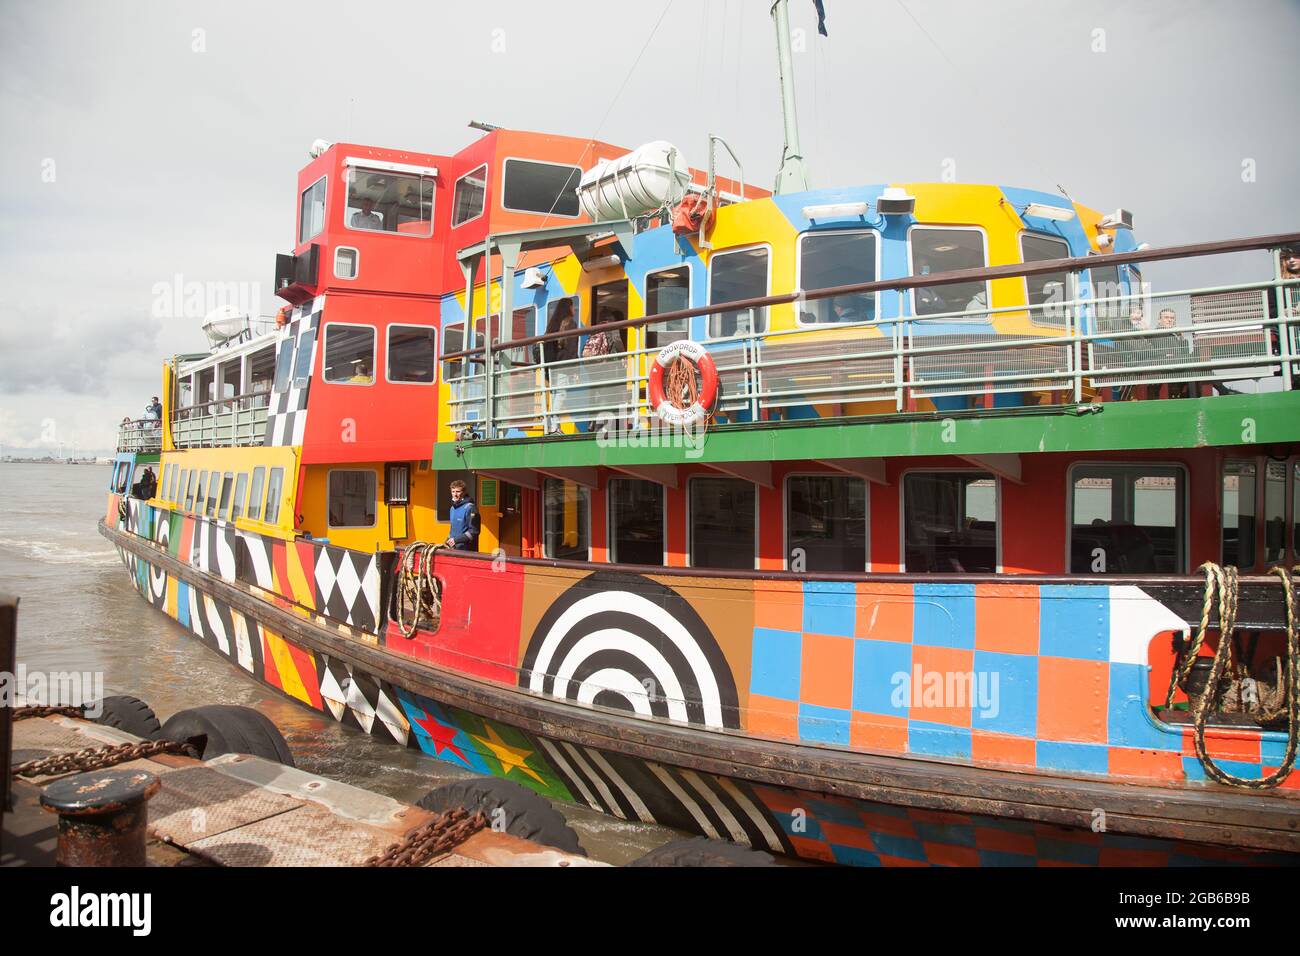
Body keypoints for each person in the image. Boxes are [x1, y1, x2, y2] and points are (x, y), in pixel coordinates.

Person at [543, 300, 579, 432]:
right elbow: (571, 348)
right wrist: (575, 368)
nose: (574, 309)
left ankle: (552, 425)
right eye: (572, 306)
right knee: (561, 394)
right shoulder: (570, 323)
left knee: (555, 394)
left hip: (552, 364)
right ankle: (554, 425)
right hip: (563, 365)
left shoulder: (554, 324)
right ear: (568, 308)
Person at [444, 479, 480, 551]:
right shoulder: (452, 508)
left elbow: (473, 532)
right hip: (454, 548)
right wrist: (447, 541)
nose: (455, 494)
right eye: (453, 491)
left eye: (458, 491)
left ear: (464, 492)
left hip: (467, 550)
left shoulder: (470, 508)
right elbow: (453, 529)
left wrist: (456, 540)